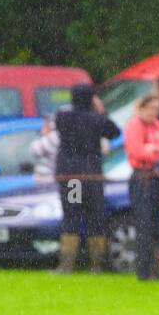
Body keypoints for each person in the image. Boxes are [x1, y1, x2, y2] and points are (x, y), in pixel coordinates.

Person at [54, 83, 120, 273]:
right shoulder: (96, 120)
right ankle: (96, 266)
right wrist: (101, 111)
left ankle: (67, 265)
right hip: (92, 176)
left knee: (72, 215)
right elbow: (114, 132)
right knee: (95, 217)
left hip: (72, 177)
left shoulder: (63, 117)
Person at [124, 94, 159, 281]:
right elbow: (137, 151)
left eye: (157, 109)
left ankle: (157, 270)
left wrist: (153, 149)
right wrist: (155, 152)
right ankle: (143, 271)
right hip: (142, 178)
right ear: (143, 108)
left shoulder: (157, 125)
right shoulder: (134, 125)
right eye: (151, 108)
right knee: (143, 225)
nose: (154, 112)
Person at [29, 116, 60, 188]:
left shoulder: (52, 137)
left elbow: (34, 150)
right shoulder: (59, 136)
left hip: (48, 180)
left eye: (44, 125)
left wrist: (45, 134)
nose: (42, 128)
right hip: (52, 179)